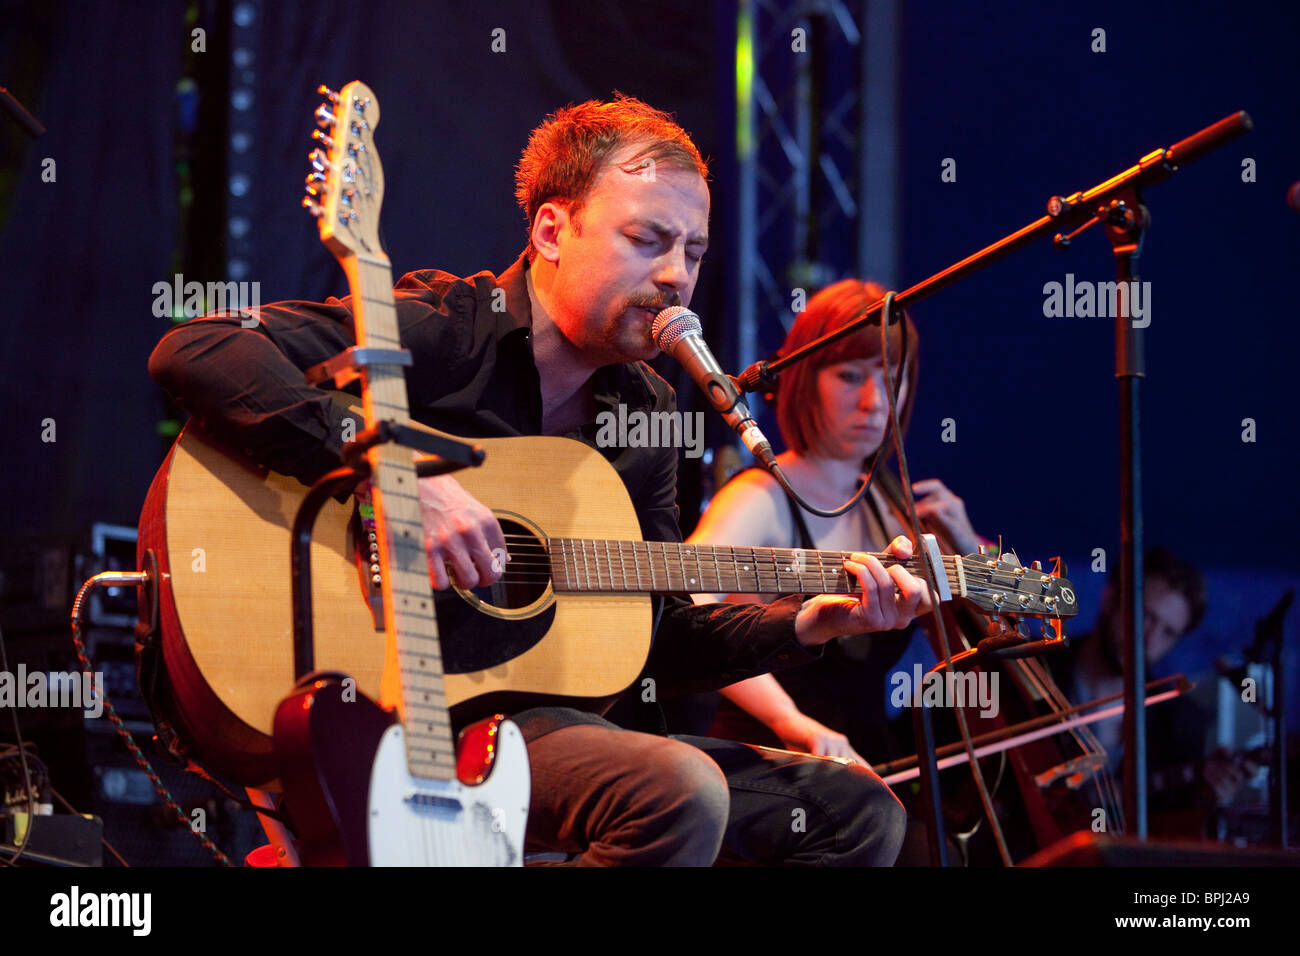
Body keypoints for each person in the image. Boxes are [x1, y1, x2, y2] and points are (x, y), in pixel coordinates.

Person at [147, 95, 935, 865]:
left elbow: (654, 638)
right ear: (553, 231)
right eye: (646, 239)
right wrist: (387, 472)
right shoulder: (448, 328)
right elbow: (199, 349)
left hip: (538, 733)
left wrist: (807, 624)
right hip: (385, 707)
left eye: (692, 252)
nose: (675, 276)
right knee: (677, 790)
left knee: (854, 813)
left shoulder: (647, 415)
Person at [685, 279, 986, 771]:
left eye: (892, 377)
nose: (874, 402)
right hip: (771, 762)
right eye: (850, 376)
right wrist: (791, 721)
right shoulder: (758, 498)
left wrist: (967, 542)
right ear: (805, 377)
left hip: (876, 760)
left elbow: (1006, 614)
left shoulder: (891, 507)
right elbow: (685, 619)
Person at [1052, 547, 1257, 835]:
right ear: (1110, 599)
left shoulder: (1176, 725)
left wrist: (1205, 799)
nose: (1149, 639)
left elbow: (1167, 833)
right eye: (1145, 616)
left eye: (1168, 632)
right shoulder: (1037, 669)